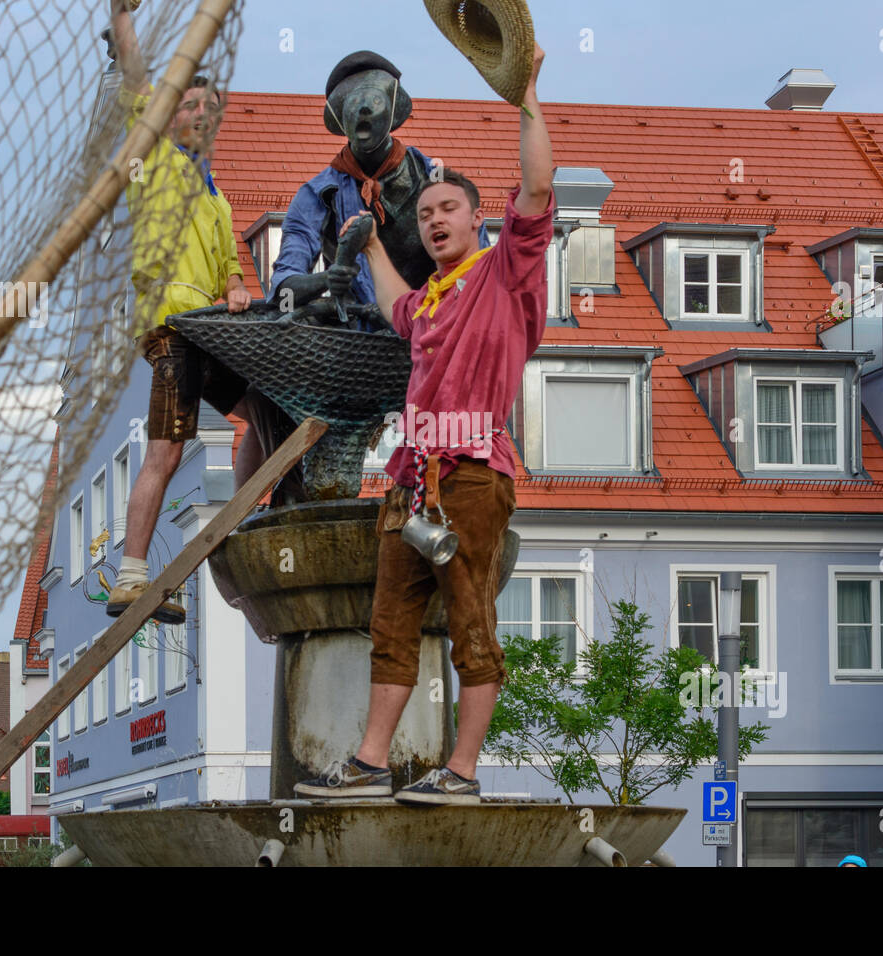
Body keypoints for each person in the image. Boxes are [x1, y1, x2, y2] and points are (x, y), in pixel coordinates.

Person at [294, 43, 553, 805]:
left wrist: (528, 98)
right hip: (413, 482)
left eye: (449, 211)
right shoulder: (431, 301)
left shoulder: (507, 275)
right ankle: (371, 763)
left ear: (478, 219)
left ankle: (462, 773)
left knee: (471, 623)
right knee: (390, 621)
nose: (435, 221)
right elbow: (391, 304)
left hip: (473, 473)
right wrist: (372, 240)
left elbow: (537, 188)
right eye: (427, 214)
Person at [104, 0, 289, 623]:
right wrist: (122, 17)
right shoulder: (153, 161)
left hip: (210, 331)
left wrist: (238, 281)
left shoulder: (216, 195)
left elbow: (229, 266)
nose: (200, 115)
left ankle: (237, 519)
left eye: (209, 110)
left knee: (264, 411)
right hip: (171, 326)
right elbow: (135, 82)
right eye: (190, 105)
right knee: (166, 450)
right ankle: (130, 576)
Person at [270, 51, 487, 325]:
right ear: (341, 119)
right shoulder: (317, 195)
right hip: (355, 347)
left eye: (373, 101)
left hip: (429, 333)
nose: (363, 110)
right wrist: (328, 278)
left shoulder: (434, 180)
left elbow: (478, 273)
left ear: (393, 112)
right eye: (353, 105)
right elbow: (283, 292)